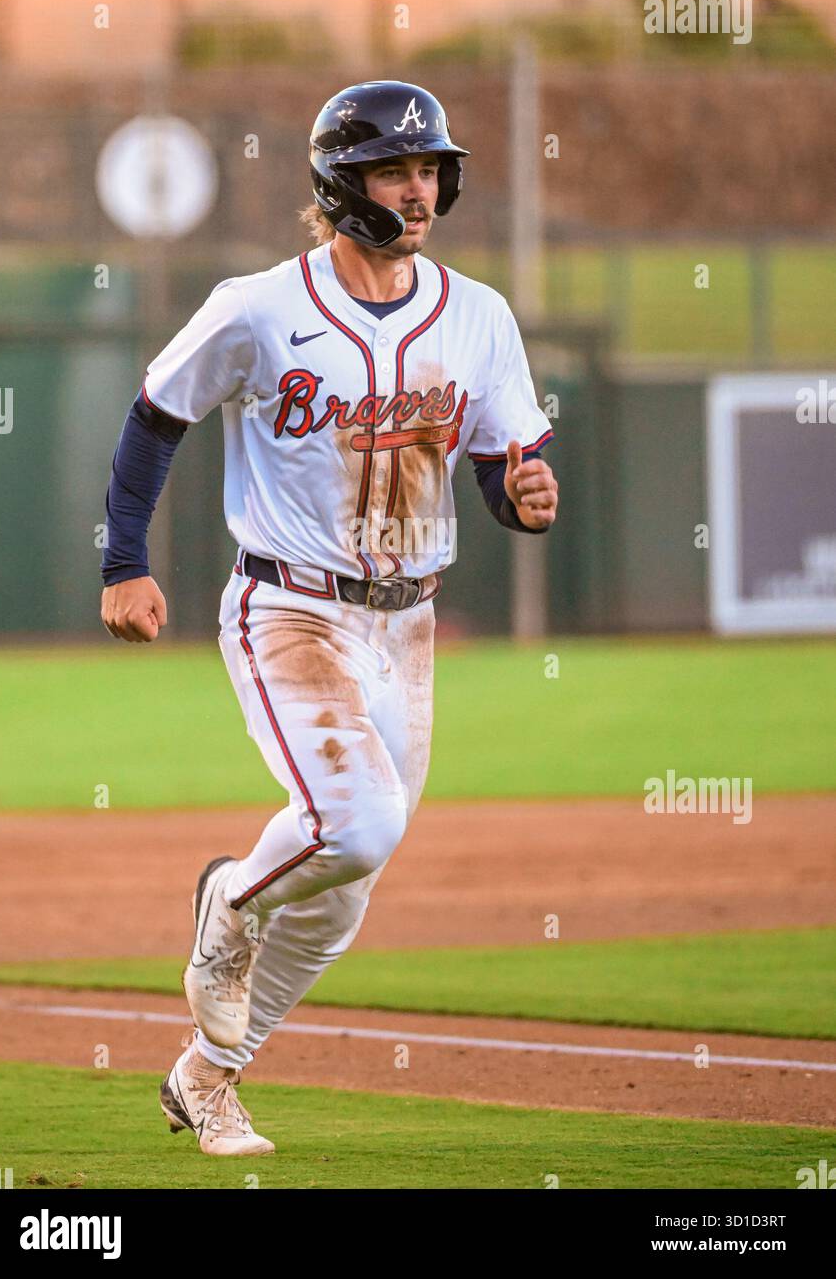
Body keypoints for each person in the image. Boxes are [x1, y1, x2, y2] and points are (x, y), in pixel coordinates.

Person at [100, 80, 559, 1157]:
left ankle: (204, 1077)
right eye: (394, 170)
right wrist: (124, 562)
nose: (418, 189)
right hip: (289, 607)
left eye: (429, 169)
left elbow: (501, 463)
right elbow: (157, 412)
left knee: (345, 890)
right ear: (340, 185)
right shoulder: (260, 305)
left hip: (407, 625)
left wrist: (521, 496)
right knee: (353, 824)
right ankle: (226, 902)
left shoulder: (477, 315)